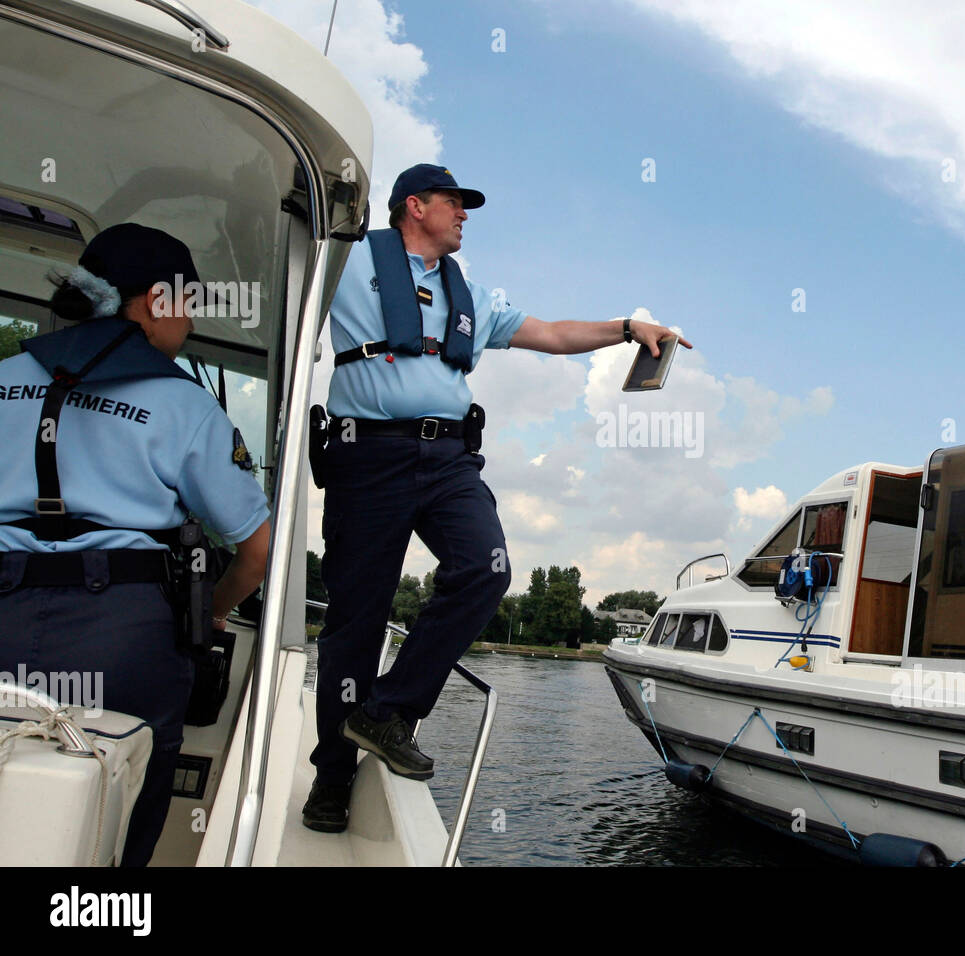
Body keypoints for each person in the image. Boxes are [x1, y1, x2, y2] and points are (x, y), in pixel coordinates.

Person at [304, 164, 690, 831]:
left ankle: (389, 711)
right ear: (414, 206)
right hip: (368, 455)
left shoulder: (471, 296)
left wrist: (629, 327)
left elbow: (552, 334)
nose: (464, 214)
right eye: (455, 203)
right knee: (356, 620)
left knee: (486, 569)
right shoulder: (345, 261)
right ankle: (332, 780)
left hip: (449, 458)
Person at [0, 223, 271, 866]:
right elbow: (256, 551)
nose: (191, 324)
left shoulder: (6, 375)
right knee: (117, 807)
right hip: (122, 630)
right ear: (155, 302)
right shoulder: (185, 404)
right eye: (188, 306)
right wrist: (213, 610)